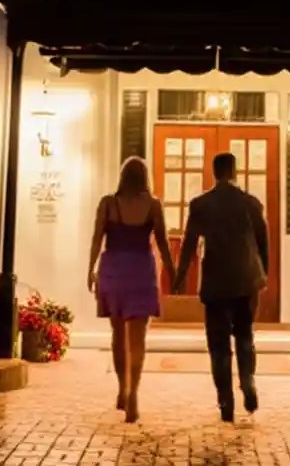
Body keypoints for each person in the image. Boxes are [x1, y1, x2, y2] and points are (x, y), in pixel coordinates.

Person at [174, 152, 270, 423]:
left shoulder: (201, 205)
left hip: (216, 283)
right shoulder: (251, 204)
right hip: (246, 280)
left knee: (218, 345)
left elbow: (189, 244)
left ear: (214, 172)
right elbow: (263, 243)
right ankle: (248, 382)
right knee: (244, 336)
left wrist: (180, 277)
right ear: (235, 171)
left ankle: (225, 400)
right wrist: (263, 274)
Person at [87, 156, 177, 423]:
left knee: (118, 335)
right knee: (138, 338)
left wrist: (90, 269)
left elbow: (96, 239)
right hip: (140, 271)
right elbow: (161, 241)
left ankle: (121, 389)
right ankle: (134, 393)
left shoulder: (108, 203)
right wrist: (173, 273)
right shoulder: (153, 205)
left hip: (113, 270)